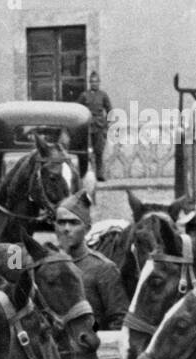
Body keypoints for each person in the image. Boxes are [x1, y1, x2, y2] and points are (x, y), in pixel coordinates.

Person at [53, 191, 128, 331]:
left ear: (87, 229)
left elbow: (119, 320)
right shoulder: (43, 263)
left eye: (74, 223)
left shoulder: (104, 269)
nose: (66, 229)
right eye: (61, 223)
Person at [75, 70, 112, 181]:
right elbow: (78, 109)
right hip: (87, 127)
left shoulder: (103, 95)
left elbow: (110, 110)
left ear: (99, 83)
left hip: (99, 126)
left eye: (96, 82)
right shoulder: (84, 95)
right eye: (92, 82)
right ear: (89, 83)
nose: (94, 84)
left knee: (99, 151)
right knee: (86, 152)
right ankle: (85, 174)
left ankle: (99, 175)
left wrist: (106, 124)